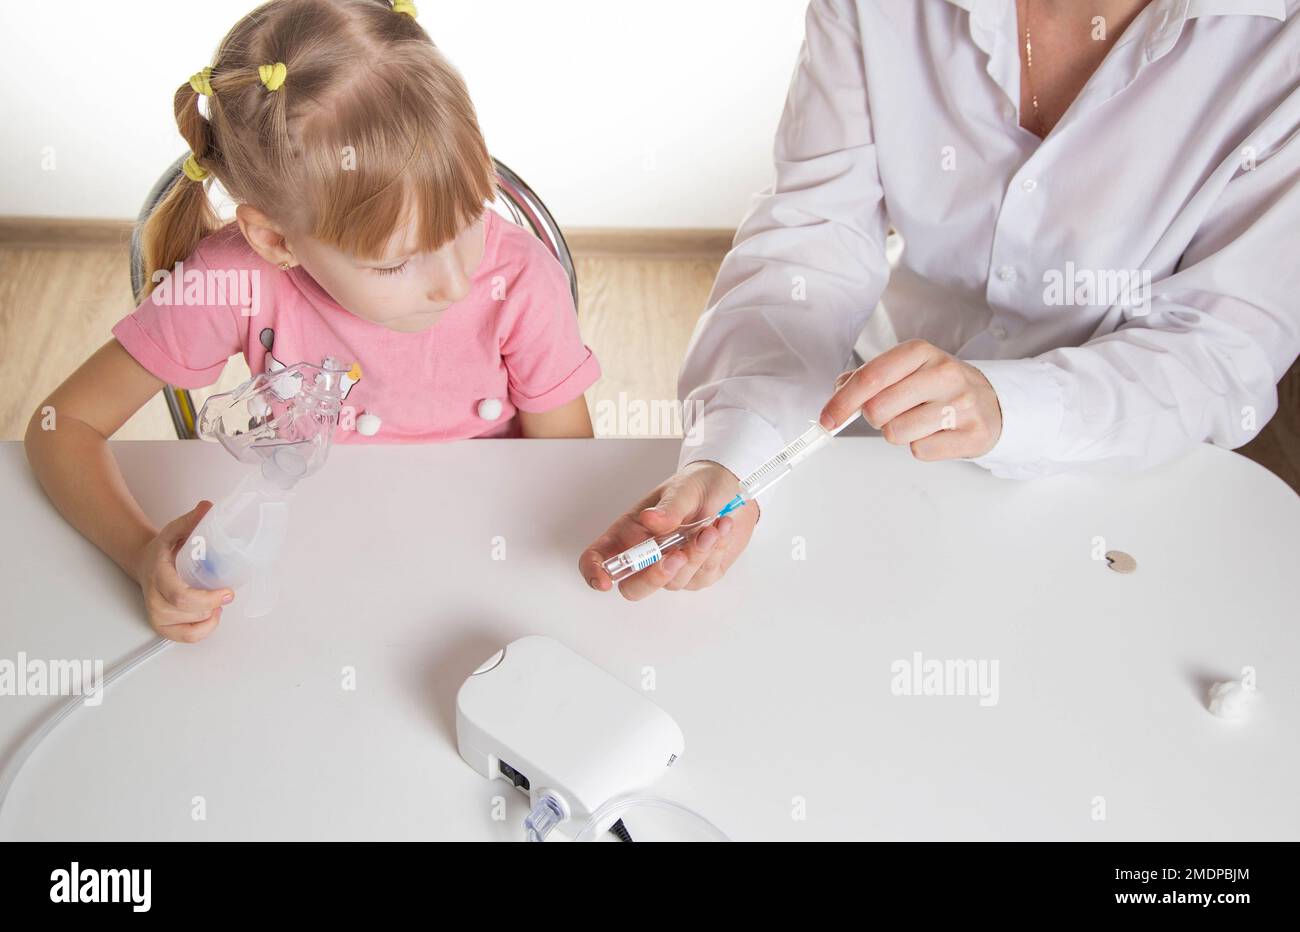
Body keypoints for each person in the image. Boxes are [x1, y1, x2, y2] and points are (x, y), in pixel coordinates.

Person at [580, 0, 1299, 599]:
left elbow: (1222, 349)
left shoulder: (1278, 47)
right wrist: (733, 453)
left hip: (1127, 473)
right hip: (872, 430)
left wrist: (1007, 404)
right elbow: (813, 235)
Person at [26, 0, 600, 642]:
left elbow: (566, 473)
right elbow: (60, 426)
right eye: (394, 264)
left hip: (484, 573)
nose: (456, 283)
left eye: (468, 216)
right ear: (275, 241)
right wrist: (140, 554)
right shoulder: (234, 281)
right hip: (307, 587)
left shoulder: (518, 279)